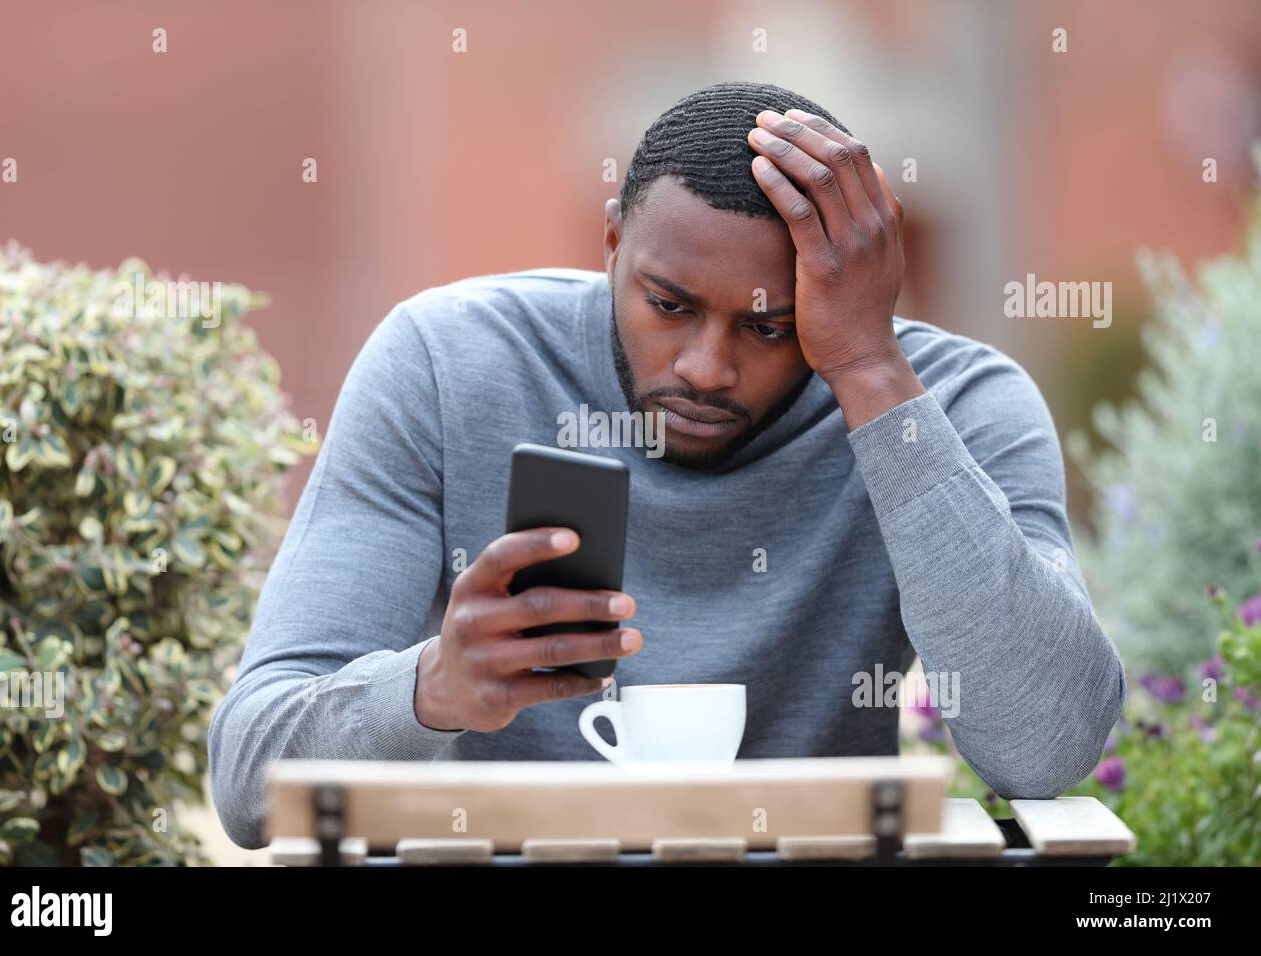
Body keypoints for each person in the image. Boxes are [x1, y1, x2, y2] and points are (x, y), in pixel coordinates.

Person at [209, 80, 1126, 850]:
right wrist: (430, 691)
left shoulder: (952, 403)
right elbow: (251, 784)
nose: (706, 368)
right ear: (611, 244)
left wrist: (868, 368)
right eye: (668, 304)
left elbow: (1041, 750)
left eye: (769, 326)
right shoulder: (445, 366)